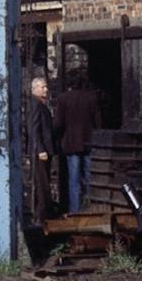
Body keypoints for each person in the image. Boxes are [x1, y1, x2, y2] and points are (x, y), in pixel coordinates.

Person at [54, 74, 102, 213]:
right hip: (89, 142)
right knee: (90, 178)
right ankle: (92, 208)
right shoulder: (92, 97)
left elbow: (58, 124)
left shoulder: (63, 99)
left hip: (71, 143)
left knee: (73, 180)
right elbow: (98, 123)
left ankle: (74, 211)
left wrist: (57, 137)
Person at [27, 76, 54, 224]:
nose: (46, 89)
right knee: (41, 184)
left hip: (43, 150)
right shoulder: (35, 105)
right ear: (34, 89)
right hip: (40, 152)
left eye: (46, 87)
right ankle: (41, 217)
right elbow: (33, 129)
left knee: (43, 182)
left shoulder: (40, 104)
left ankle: (42, 215)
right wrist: (40, 149)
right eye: (43, 87)